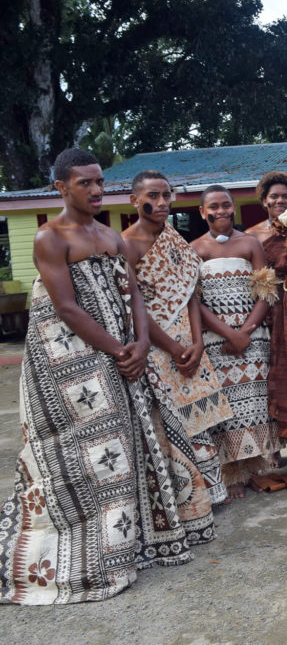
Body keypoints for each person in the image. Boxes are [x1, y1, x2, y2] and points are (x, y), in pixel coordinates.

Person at [0, 150, 196, 604]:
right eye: (84, 183)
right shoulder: (51, 237)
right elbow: (66, 307)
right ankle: (88, 555)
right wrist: (118, 350)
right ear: (61, 188)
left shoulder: (112, 236)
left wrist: (143, 343)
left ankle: (127, 546)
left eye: (99, 182)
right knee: (92, 451)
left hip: (124, 350)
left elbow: (135, 296)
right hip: (72, 360)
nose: (95, 190)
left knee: (130, 443)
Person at [122, 171, 233, 510]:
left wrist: (198, 342)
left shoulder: (177, 240)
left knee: (202, 419)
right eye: (152, 196)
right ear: (133, 199)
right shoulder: (125, 244)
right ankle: (183, 500)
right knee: (170, 422)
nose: (161, 203)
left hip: (190, 341)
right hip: (155, 346)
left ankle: (212, 492)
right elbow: (133, 305)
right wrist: (173, 347)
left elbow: (190, 297)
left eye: (166, 196)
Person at [192, 185, 281, 498]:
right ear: (203, 212)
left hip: (252, 336)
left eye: (226, 205)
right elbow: (195, 303)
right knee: (227, 404)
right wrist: (229, 334)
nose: (221, 212)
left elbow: (265, 291)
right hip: (216, 340)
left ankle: (256, 465)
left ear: (234, 208)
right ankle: (232, 474)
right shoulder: (195, 249)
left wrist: (246, 330)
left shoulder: (250, 243)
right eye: (213, 207)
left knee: (253, 402)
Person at [244, 171, 287, 455]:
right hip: (267, 311)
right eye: (274, 197)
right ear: (264, 201)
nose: (280, 201)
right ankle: (273, 448)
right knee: (272, 376)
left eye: (286, 196)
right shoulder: (251, 236)